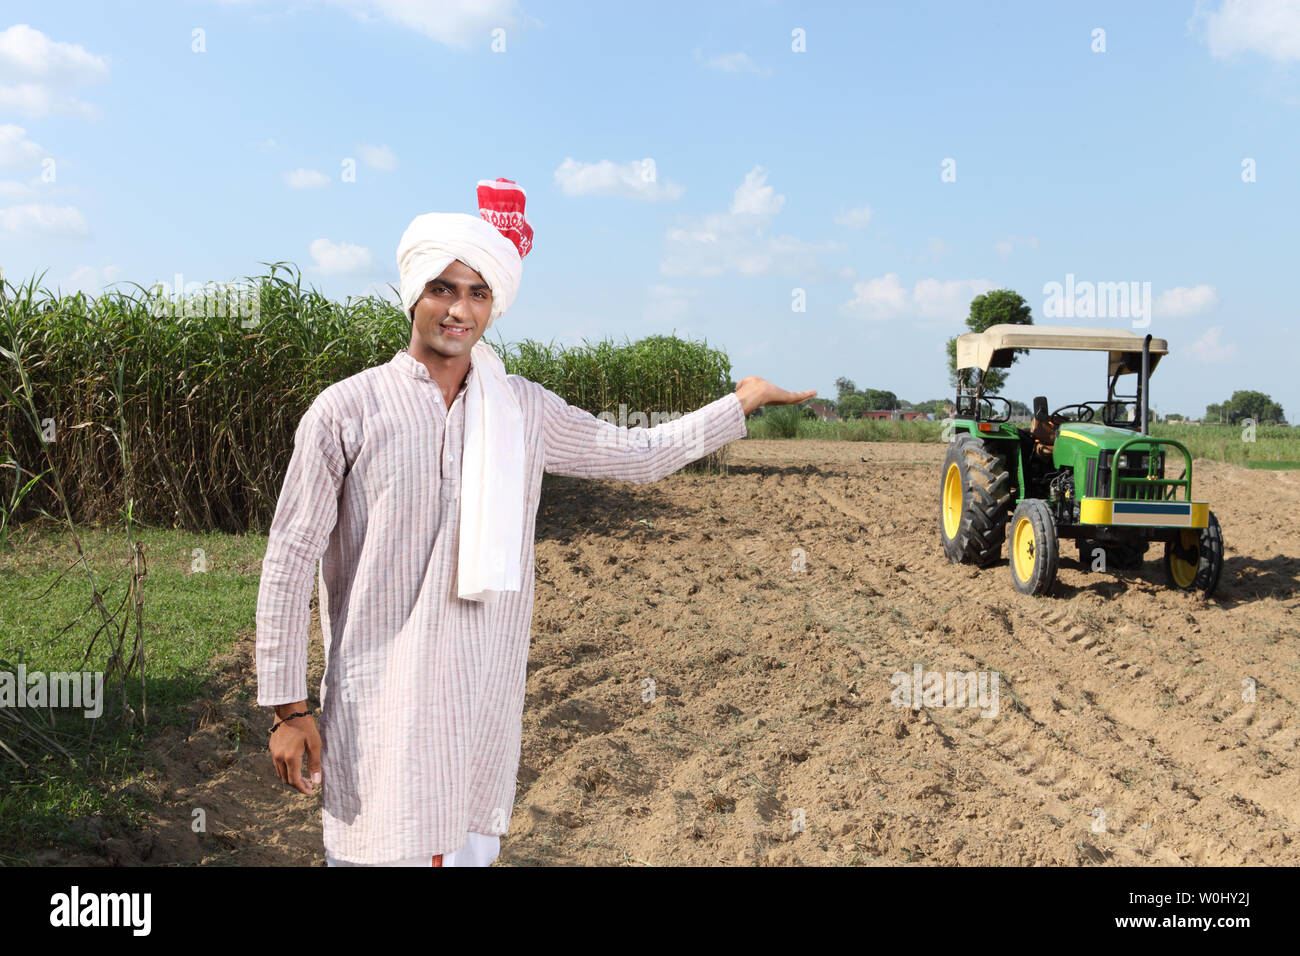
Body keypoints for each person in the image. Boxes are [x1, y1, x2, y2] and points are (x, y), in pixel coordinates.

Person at [256, 177, 816, 866]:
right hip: (379, 703)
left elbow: (637, 455)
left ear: (494, 305)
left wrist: (738, 406)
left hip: (477, 695)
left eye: (478, 292)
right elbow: (288, 555)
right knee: (377, 844)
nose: (459, 309)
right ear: (413, 296)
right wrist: (287, 709)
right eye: (443, 289)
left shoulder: (522, 409)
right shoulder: (346, 411)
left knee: (464, 846)